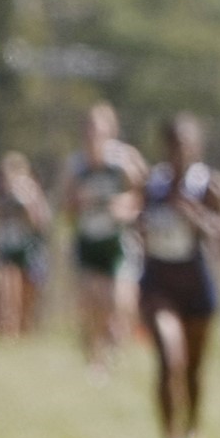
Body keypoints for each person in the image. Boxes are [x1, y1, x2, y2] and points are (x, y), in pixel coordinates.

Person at [135, 112, 220, 438]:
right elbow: (139, 222)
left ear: (196, 148)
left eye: (185, 147)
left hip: (197, 285)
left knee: (193, 368)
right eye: (173, 146)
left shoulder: (207, 185)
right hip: (159, 283)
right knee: (170, 358)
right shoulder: (152, 185)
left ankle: (193, 430)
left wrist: (193, 215)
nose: (179, 153)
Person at [62, 101, 146, 379]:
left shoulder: (123, 162)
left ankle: (113, 350)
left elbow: (142, 196)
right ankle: (93, 360)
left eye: (98, 130)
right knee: (90, 305)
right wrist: (78, 202)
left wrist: (125, 206)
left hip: (116, 244)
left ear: (111, 132)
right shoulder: (76, 166)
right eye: (88, 130)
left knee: (120, 301)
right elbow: (66, 209)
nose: (92, 136)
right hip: (88, 242)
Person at [0, 151, 51, 338]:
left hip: (28, 249)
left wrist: (27, 204)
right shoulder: (0, 193)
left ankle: (25, 329)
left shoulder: (31, 192)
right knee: (7, 287)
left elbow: (40, 223)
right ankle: (7, 328)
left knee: (28, 294)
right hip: (7, 248)